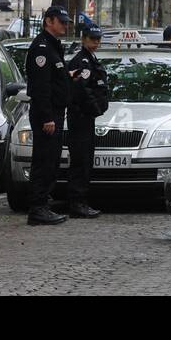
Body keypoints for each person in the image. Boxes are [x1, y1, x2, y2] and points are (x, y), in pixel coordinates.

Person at [25, 5, 72, 225]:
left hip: (55, 112)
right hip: (48, 114)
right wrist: (47, 117)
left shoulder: (53, 46)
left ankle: (43, 203)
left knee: (51, 161)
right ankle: (37, 208)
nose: (65, 25)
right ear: (48, 21)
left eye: (66, 22)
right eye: (61, 22)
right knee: (44, 161)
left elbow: (54, 79)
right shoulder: (42, 48)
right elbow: (41, 87)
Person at [65, 26, 108, 219]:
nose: (96, 42)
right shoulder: (82, 61)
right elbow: (82, 90)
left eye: (98, 39)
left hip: (85, 117)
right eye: (92, 39)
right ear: (83, 39)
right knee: (81, 161)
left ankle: (80, 201)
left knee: (85, 160)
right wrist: (95, 108)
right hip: (81, 116)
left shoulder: (89, 58)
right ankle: (77, 202)